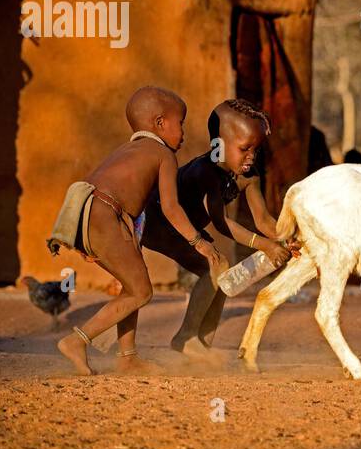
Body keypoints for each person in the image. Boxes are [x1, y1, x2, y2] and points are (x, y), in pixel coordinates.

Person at [47, 87, 226, 375]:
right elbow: (170, 207)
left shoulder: (128, 150)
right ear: (159, 123)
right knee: (141, 291)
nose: (183, 133)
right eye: (180, 123)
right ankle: (76, 341)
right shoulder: (163, 154)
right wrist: (198, 241)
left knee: (132, 287)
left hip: (89, 210)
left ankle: (127, 357)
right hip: (106, 214)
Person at [141, 99, 293, 357]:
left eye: (256, 150)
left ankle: (202, 343)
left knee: (222, 276)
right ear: (218, 146)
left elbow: (263, 220)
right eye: (245, 149)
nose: (251, 157)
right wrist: (265, 245)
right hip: (158, 221)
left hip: (188, 228)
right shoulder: (206, 171)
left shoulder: (249, 175)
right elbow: (221, 223)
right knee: (213, 267)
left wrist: (288, 237)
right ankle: (186, 337)